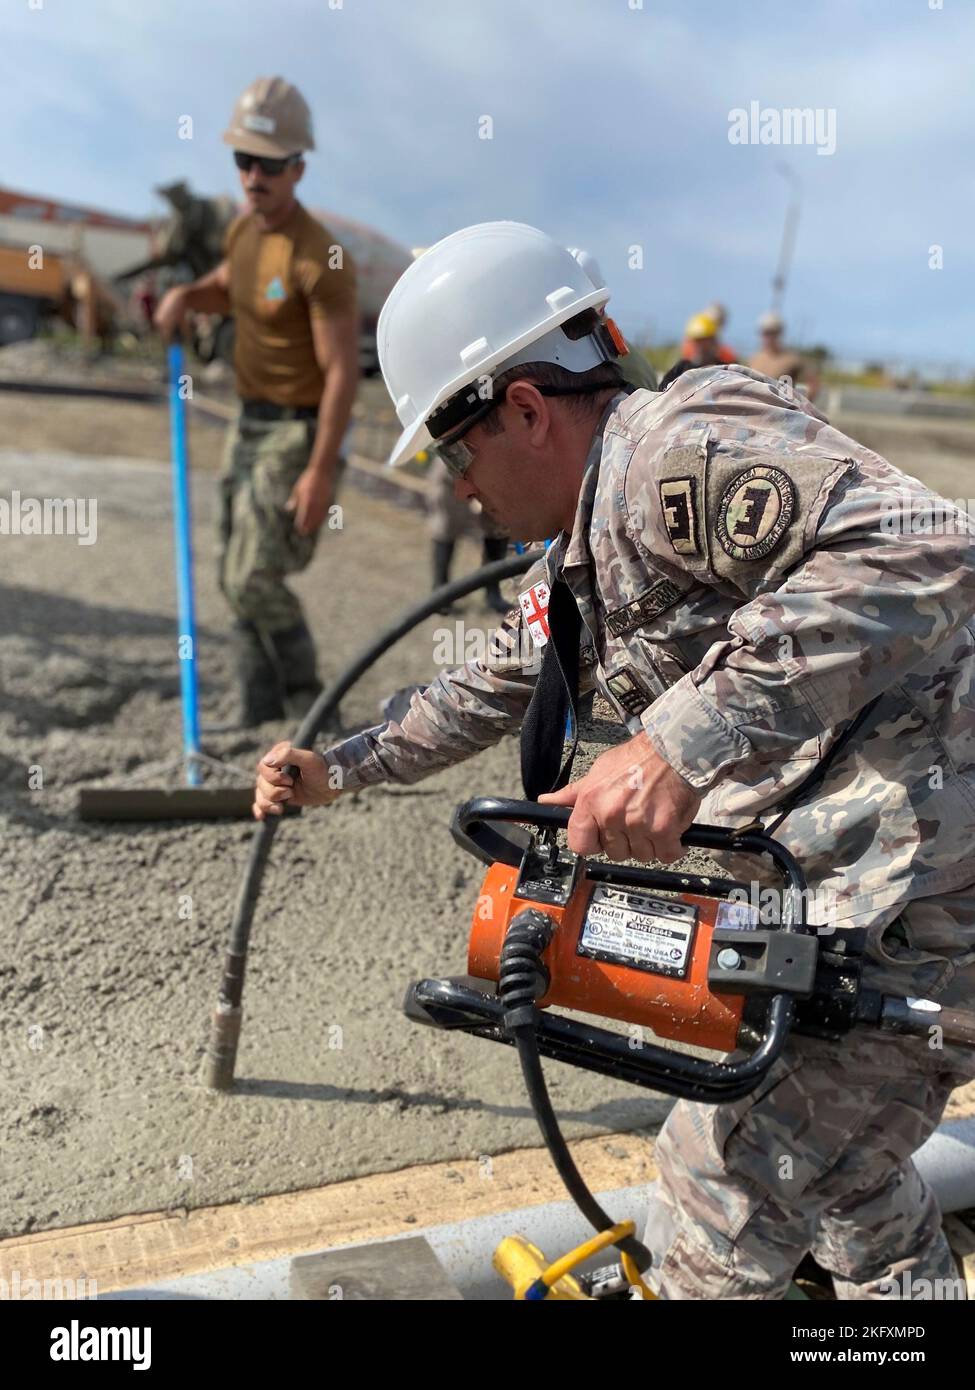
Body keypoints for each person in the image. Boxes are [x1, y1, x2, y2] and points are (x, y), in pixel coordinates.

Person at [253, 221, 975, 1299]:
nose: (457, 487)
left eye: (455, 451)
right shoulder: (581, 558)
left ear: (527, 409)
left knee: (716, 1178)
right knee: (847, 1182)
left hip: (924, 888)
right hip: (837, 902)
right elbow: (481, 686)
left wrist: (676, 746)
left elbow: (925, 542)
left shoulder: (673, 446)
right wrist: (338, 767)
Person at [154, 76, 359, 724]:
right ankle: (258, 704)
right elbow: (228, 285)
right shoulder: (244, 235)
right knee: (227, 573)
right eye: (244, 161)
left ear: (297, 168)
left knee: (252, 577)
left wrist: (321, 469)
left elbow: (341, 375)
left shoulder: (320, 258)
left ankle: (305, 697)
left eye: (268, 165)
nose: (253, 176)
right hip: (246, 423)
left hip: (295, 433)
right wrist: (186, 297)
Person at [749, 310, 818, 400]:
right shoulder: (755, 359)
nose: (769, 337)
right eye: (765, 333)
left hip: (781, 409)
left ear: (780, 333)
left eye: (773, 332)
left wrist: (800, 404)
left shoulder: (792, 359)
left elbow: (812, 384)